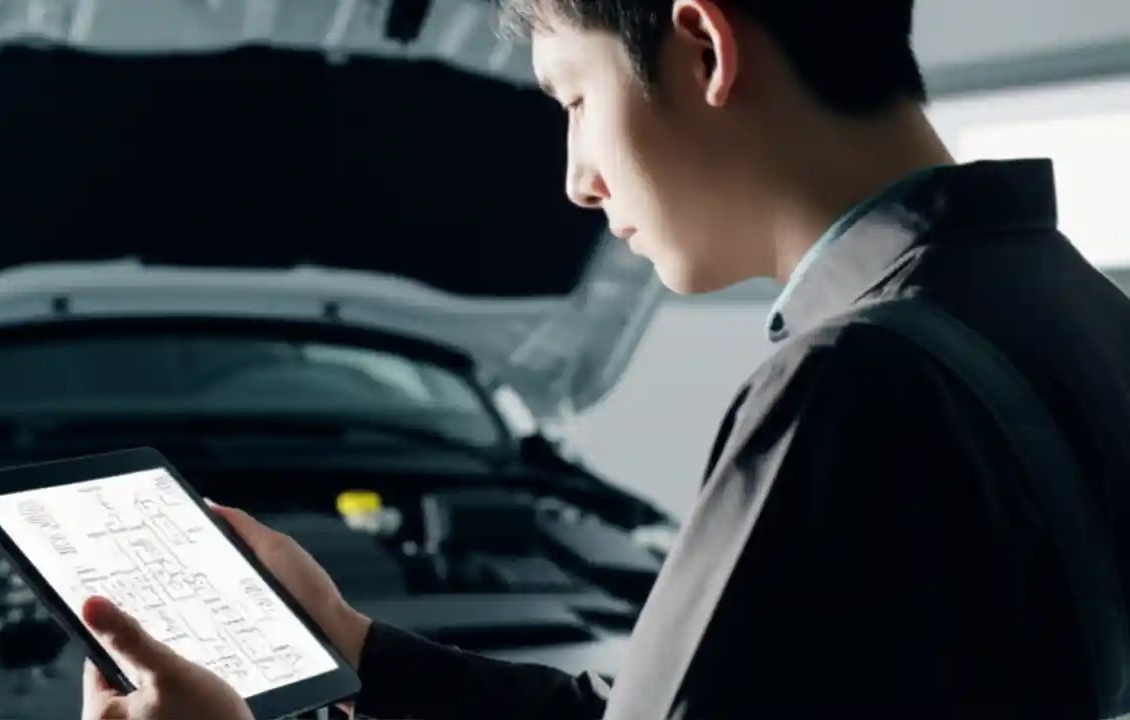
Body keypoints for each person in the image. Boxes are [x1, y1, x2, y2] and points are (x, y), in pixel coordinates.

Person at [81, 0, 1130, 717]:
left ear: (703, 47)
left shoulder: (857, 379)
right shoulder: (1068, 311)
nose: (576, 180)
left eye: (573, 101)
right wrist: (357, 649)